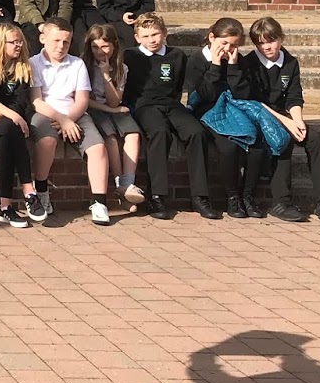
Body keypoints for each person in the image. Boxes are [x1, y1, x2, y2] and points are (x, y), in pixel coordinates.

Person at [245, 16, 320, 223]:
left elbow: (294, 97)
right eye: (261, 42)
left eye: (271, 41)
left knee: (313, 138)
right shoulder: (249, 64)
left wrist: (298, 121)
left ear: (281, 39)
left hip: (283, 115)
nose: (267, 47)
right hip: (259, 115)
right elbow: (254, 101)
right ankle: (281, 202)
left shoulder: (290, 62)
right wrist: (286, 123)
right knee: (282, 139)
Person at [124, 13, 208, 222]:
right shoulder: (129, 56)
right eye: (145, 36)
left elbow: (179, 86)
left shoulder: (177, 55)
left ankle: (200, 196)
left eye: (155, 34)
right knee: (160, 133)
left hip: (171, 105)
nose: (151, 40)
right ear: (137, 37)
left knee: (196, 132)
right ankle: (157, 196)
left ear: (164, 34)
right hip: (144, 106)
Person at [28, 20, 112, 226]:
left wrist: (70, 119)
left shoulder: (77, 63)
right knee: (47, 142)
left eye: (66, 42)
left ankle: (99, 202)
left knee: (98, 148)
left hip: (75, 113)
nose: (61, 46)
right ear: (42, 39)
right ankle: (41, 190)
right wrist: (62, 120)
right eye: (56, 40)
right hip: (46, 112)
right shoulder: (32, 63)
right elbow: (36, 100)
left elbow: (82, 99)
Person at [183, 16, 261, 220]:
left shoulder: (239, 61)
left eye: (233, 45)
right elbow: (204, 95)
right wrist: (216, 67)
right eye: (223, 43)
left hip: (233, 111)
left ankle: (248, 196)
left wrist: (234, 68)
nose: (227, 48)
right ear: (211, 38)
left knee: (256, 145)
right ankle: (232, 197)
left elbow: (244, 95)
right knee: (228, 147)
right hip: (208, 112)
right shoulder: (196, 60)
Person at [0, 22, 38, 227]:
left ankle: (6, 206)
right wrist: (11, 115)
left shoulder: (23, 67)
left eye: (20, 41)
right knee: (11, 127)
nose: (19, 45)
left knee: (9, 132)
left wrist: (9, 114)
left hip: (8, 123)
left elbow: (21, 101)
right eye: (13, 42)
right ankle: (28, 191)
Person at [83, 23, 145, 211]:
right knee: (109, 138)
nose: (100, 51)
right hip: (94, 109)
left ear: (114, 46)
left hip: (113, 108)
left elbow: (114, 101)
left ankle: (127, 183)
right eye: (95, 47)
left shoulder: (121, 68)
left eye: (105, 46)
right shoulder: (83, 65)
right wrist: (112, 111)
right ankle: (120, 186)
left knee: (133, 134)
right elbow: (85, 100)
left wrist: (106, 75)